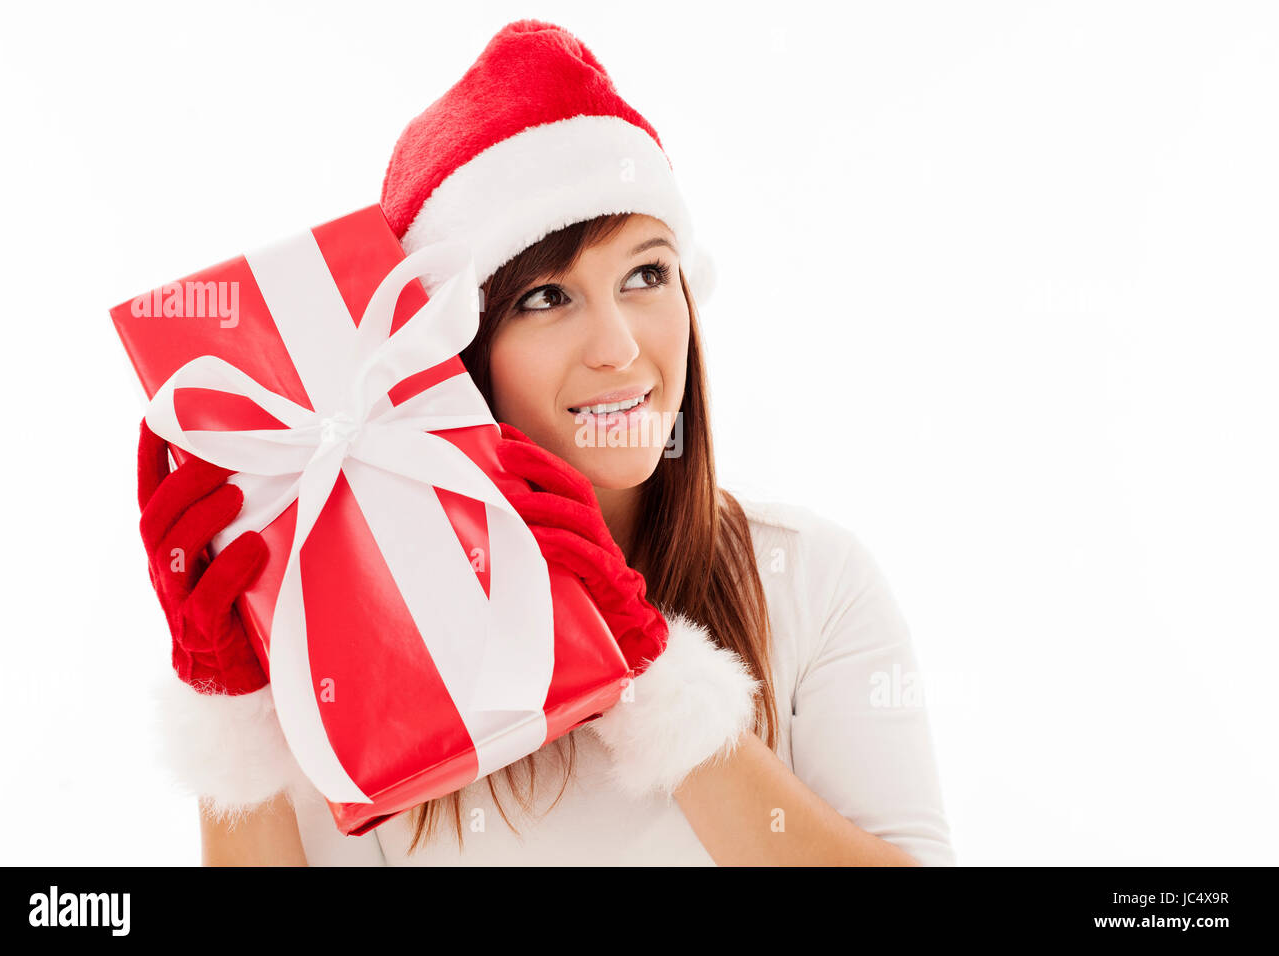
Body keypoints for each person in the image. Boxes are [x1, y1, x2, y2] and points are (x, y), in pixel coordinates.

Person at [138, 19, 956, 866]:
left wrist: (646, 672)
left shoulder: (810, 582)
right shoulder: (353, 646)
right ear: (458, 363)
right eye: (545, 299)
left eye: (647, 275)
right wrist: (237, 715)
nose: (618, 346)